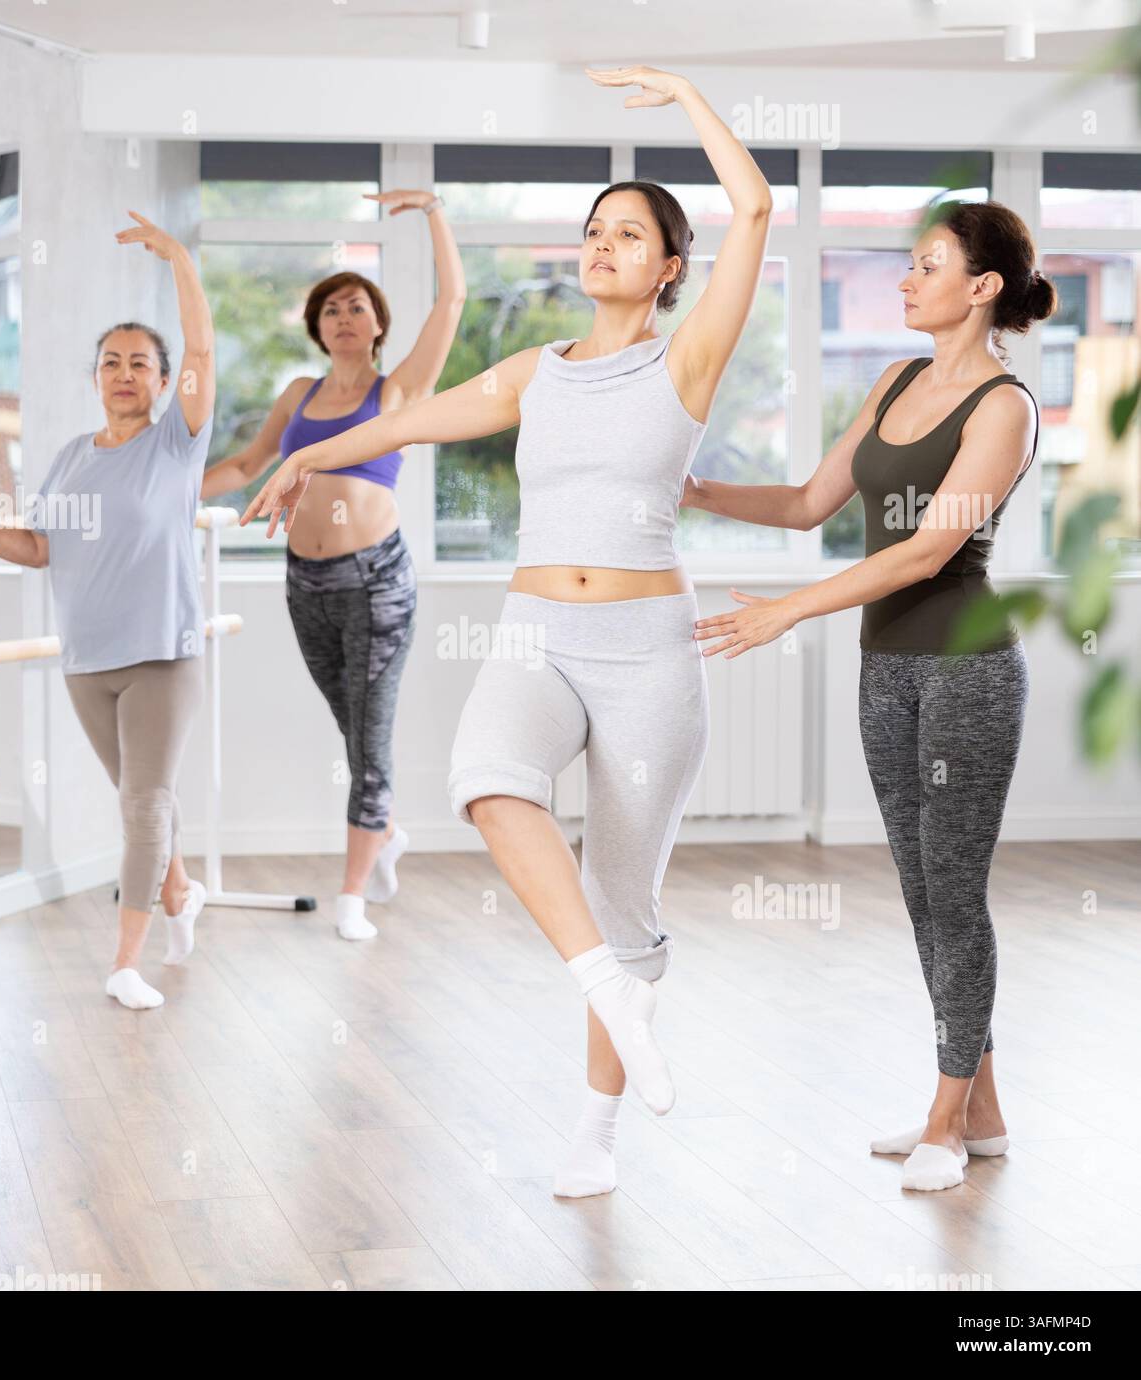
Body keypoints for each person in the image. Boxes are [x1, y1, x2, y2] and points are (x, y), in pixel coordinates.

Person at [241, 65, 772, 1199]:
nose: (601, 246)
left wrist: (683, 97)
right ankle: (612, 987)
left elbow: (758, 207)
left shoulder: (684, 357)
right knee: (486, 777)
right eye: (592, 230)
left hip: (649, 652)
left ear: (670, 268)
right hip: (538, 630)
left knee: (625, 898)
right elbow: (415, 417)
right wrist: (305, 452)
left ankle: (595, 1132)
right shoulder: (536, 371)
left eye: (628, 235)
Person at [686, 200, 1052, 1191]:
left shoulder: (1005, 407)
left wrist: (787, 612)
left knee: (954, 894)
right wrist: (698, 490)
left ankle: (943, 1118)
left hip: (965, 669)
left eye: (926, 265)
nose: (904, 279)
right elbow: (809, 502)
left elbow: (930, 547)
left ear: (980, 287)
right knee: (919, 891)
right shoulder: (897, 380)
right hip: (883, 666)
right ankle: (981, 1111)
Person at [0, 212, 218, 1011]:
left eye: (141, 363)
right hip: (87, 662)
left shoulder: (177, 444)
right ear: (95, 379)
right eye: (111, 362)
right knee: (144, 802)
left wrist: (179, 260)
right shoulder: (72, 457)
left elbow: (205, 350)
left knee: (143, 806)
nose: (126, 373)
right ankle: (182, 895)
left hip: (163, 654)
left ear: (162, 381)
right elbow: (40, 549)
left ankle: (124, 962)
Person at [201, 189, 466, 940]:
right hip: (305, 581)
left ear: (378, 324)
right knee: (352, 731)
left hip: (377, 578)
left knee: (370, 738)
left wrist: (435, 212)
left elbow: (453, 300)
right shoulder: (299, 393)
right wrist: (164, 488)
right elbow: (248, 463)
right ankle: (385, 830)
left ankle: (352, 893)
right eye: (331, 310)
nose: (344, 318)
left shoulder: (400, 391)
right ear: (318, 330)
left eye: (357, 307)